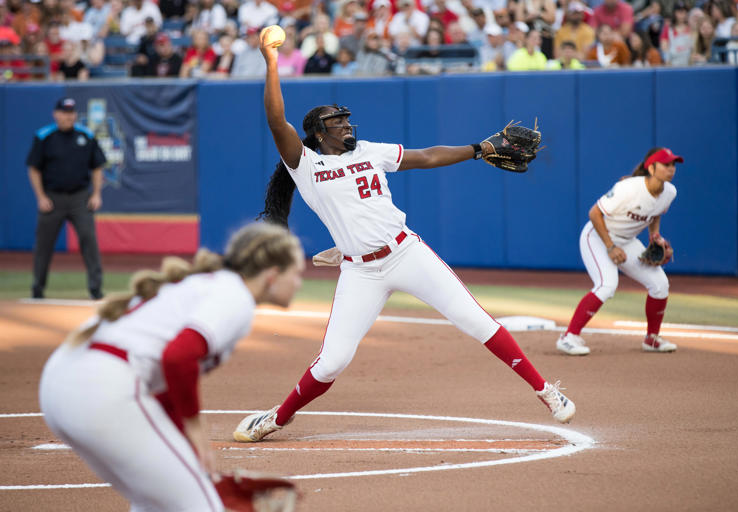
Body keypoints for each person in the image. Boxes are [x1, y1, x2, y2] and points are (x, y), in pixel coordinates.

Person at [231, 31, 577, 444]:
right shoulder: (305, 164)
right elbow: (275, 120)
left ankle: (546, 392)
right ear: (318, 133)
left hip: (405, 252)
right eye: (336, 121)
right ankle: (277, 418)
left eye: (346, 119)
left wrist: (479, 148)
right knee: (331, 363)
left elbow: (427, 156)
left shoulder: (370, 151)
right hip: (361, 272)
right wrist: (271, 61)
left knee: (475, 320)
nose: (346, 125)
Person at [39, 221, 305, 511]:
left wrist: (186, 446)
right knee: (203, 506)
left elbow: (165, 387)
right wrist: (195, 430)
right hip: (103, 387)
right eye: (296, 273)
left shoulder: (209, 285)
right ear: (272, 275)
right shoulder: (235, 297)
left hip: (63, 385)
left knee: (155, 501)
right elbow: (178, 357)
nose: (299, 282)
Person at [556, 147, 683, 356]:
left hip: (627, 241)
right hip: (597, 237)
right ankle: (569, 337)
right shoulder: (628, 189)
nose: (671, 169)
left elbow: (657, 212)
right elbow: (594, 213)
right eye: (666, 164)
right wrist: (610, 247)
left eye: (673, 165)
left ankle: (652, 339)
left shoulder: (669, 192)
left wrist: (655, 237)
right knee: (607, 285)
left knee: (660, 284)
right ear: (651, 168)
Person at [26, 98, 106, 300]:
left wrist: (96, 194)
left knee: (89, 239)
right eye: (64, 112)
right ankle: (38, 287)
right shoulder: (44, 136)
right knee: (44, 244)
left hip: (80, 197)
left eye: (71, 112)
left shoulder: (85, 135)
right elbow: (34, 168)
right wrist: (41, 197)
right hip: (52, 198)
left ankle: (96, 288)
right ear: (56, 114)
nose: (68, 116)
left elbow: (97, 166)